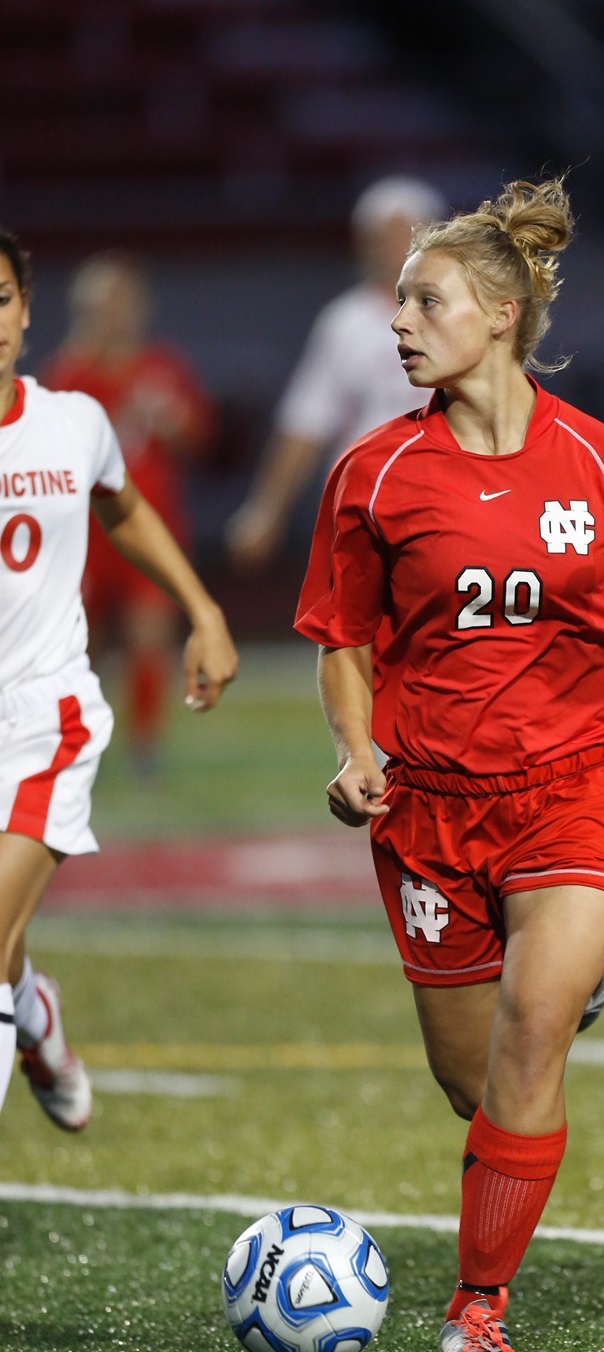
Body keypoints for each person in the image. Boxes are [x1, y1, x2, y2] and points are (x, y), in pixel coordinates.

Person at [294, 177, 604, 1352]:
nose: (398, 323)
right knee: (468, 1080)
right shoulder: (373, 475)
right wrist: (356, 748)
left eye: (422, 300)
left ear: (495, 310)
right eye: (398, 302)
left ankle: (476, 1310)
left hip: (581, 781)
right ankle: (551, 991)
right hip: (429, 807)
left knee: (532, 1036)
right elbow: (342, 640)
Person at [0, 227, 238, 1132]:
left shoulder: (71, 420)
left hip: (39, 722)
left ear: (24, 309)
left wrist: (206, 612)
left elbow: (126, 503)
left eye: (1, 299)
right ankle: (37, 1015)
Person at [40, 251, 216, 773]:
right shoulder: (68, 373)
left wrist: (172, 420)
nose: (113, 315)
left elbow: (200, 441)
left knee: (148, 637)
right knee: (76, 648)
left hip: (150, 529)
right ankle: (68, 745)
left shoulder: (162, 369)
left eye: (121, 303)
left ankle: (144, 748)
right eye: (102, 305)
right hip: (84, 534)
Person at [225, 175, 447, 574]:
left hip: (451, 498)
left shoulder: (465, 314)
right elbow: (306, 423)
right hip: (367, 503)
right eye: (383, 236)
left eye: (407, 234)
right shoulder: (346, 322)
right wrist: (267, 509)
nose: (395, 248)